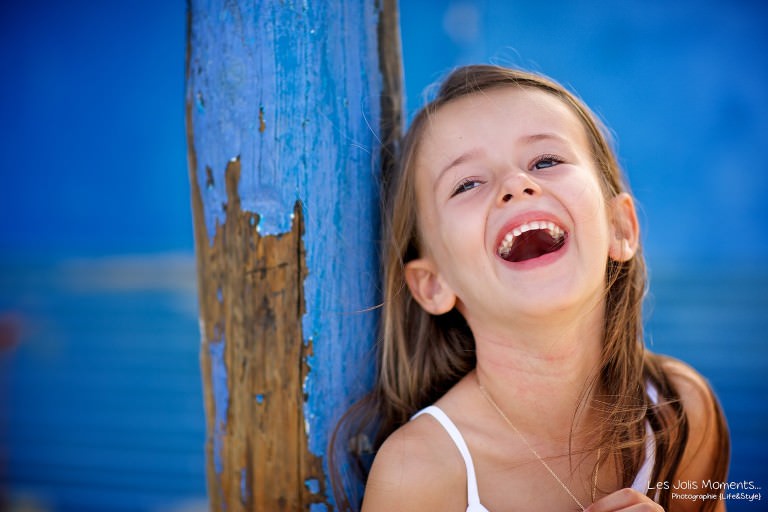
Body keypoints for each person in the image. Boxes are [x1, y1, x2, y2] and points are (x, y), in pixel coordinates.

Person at [330, 65, 729, 512]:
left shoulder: (680, 409)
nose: (516, 185)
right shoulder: (420, 472)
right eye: (467, 184)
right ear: (433, 283)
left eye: (546, 161)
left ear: (620, 228)